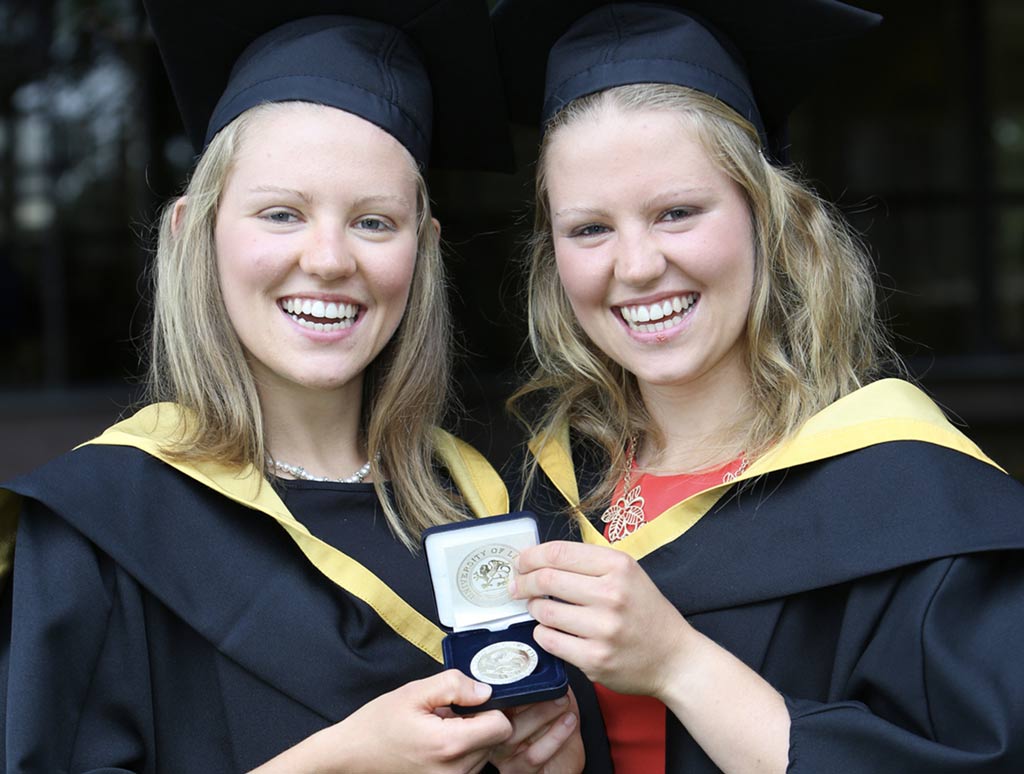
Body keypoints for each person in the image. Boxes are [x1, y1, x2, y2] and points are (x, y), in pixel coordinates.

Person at [0, 1, 583, 771]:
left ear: (423, 250)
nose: (330, 259)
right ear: (193, 232)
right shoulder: (99, 526)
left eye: (374, 222)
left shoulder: (489, 508)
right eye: (281, 214)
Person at [493, 1, 1024, 772]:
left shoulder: (909, 498)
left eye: (677, 212)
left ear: (766, 217)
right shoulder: (533, 491)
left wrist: (679, 665)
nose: (635, 266)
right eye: (589, 229)